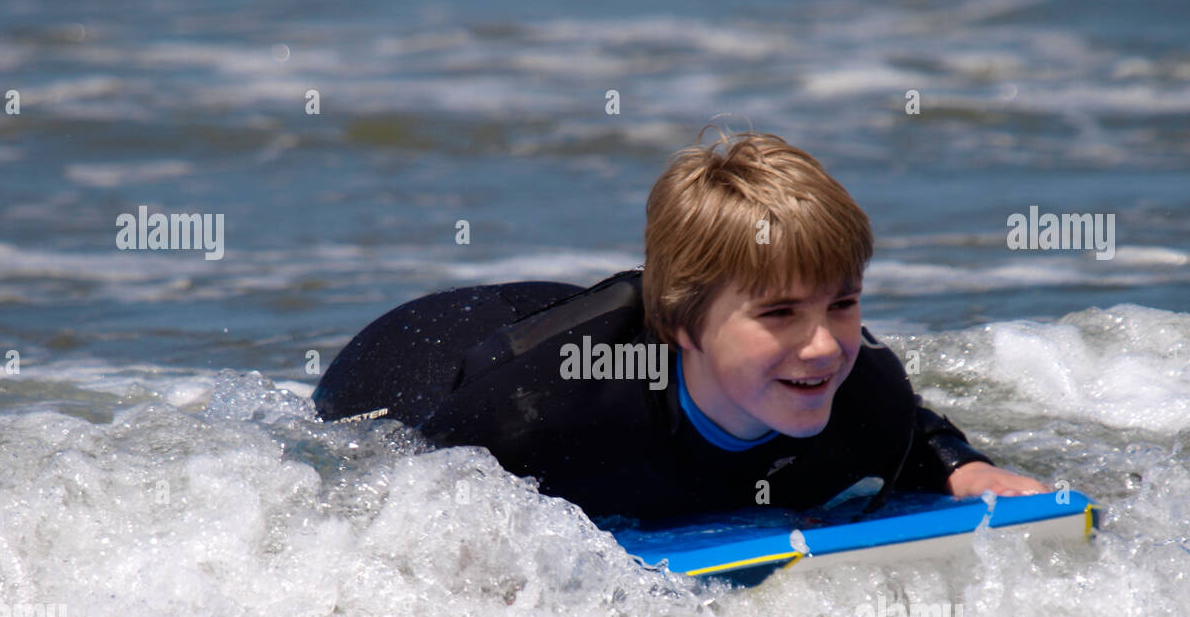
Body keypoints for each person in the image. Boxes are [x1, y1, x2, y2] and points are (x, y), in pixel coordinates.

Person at [313, 129, 1047, 521]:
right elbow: (402, 487)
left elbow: (912, 432)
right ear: (684, 325)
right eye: (781, 313)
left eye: (843, 303)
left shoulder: (865, 388)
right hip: (417, 359)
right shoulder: (542, 410)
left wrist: (963, 466)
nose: (824, 344)